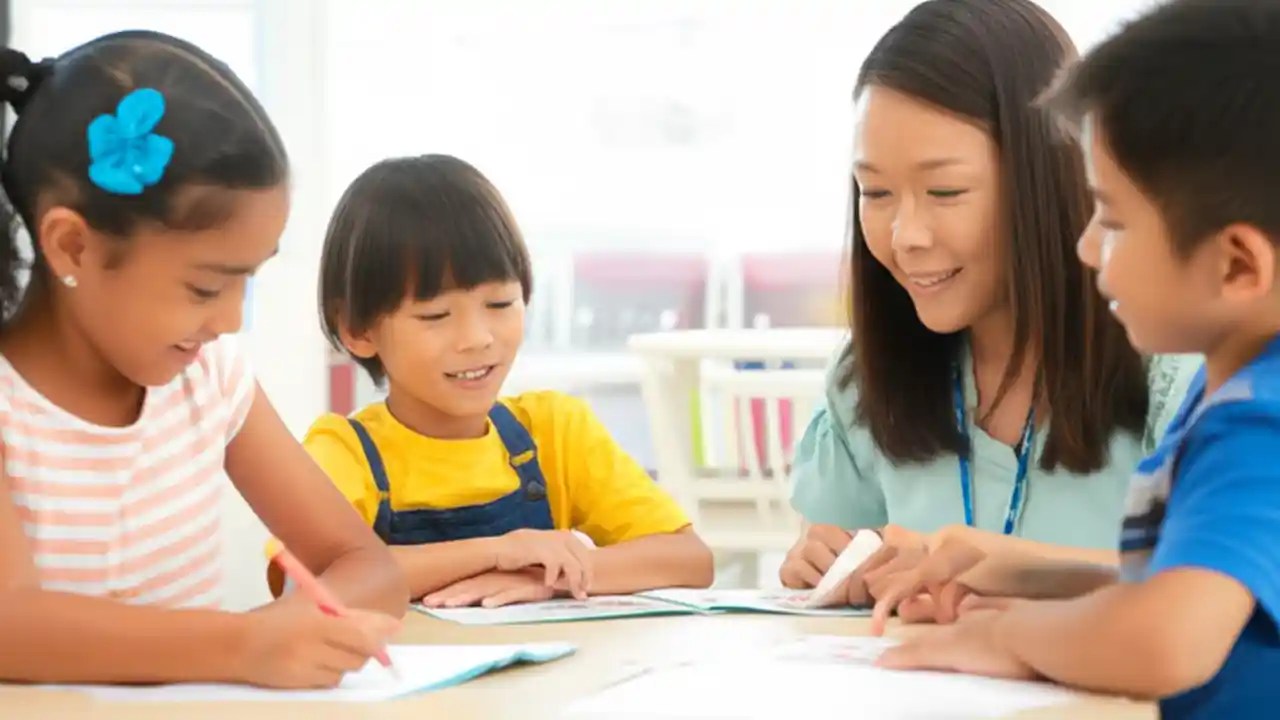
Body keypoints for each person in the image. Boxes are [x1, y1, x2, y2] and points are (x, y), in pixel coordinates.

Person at [877, 2, 1280, 716]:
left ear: (1238, 265)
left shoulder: (1258, 425)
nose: (1086, 246)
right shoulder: (1233, 394)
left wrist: (1013, 638)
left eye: (1114, 220)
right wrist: (1031, 571)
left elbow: (1167, 640)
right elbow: (1193, 586)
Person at [0, 32, 408, 688]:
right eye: (206, 288)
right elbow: (10, 627)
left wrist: (308, 627)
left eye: (247, 282)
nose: (227, 322)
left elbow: (367, 563)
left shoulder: (211, 382)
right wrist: (245, 643)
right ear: (73, 247)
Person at [778, 0, 1198, 597]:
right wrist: (820, 564)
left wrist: (993, 564)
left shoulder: (1175, 366)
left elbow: (1218, 593)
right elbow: (832, 559)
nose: (905, 237)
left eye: (945, 191)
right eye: (875, 192)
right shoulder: (866, 383)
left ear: (1048, 180)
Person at [294, 154, 713, 607]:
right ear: (358, 330)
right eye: (435, 315)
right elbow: (309, 582)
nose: (477, 339)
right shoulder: (344, 453)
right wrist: (498, 551)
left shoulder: (554, 429)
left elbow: (689, 559)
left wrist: (549, 577)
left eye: (500, 304)